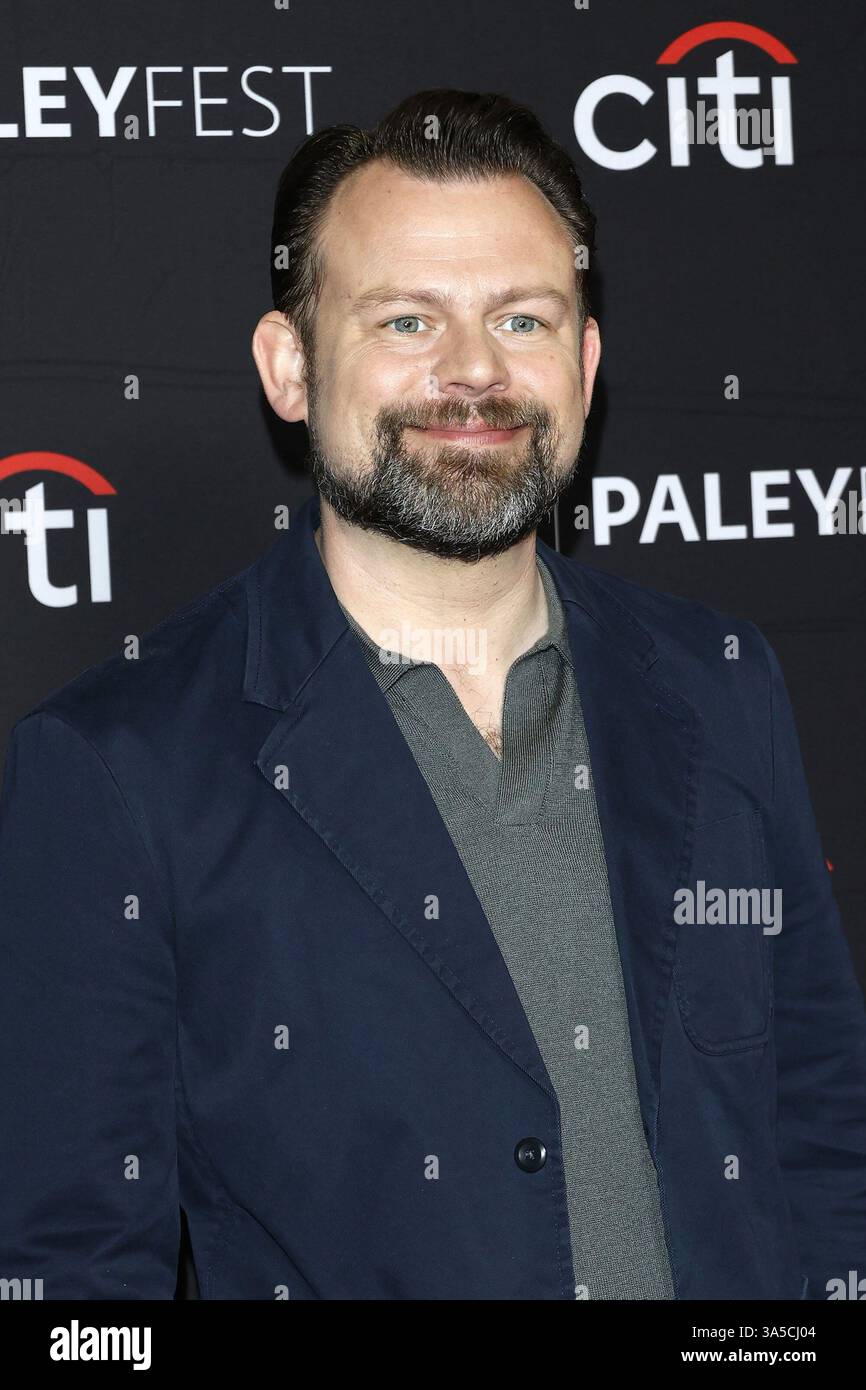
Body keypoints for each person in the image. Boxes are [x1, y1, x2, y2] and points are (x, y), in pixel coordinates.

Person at [1, 88, 864, 1301]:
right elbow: (71, 1281)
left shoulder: (719, 684)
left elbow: (819, 1128)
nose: (472, 371)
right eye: (406, 320)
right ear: (289, 367)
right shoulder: (117, 766)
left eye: (521, 318)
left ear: (585, 362)